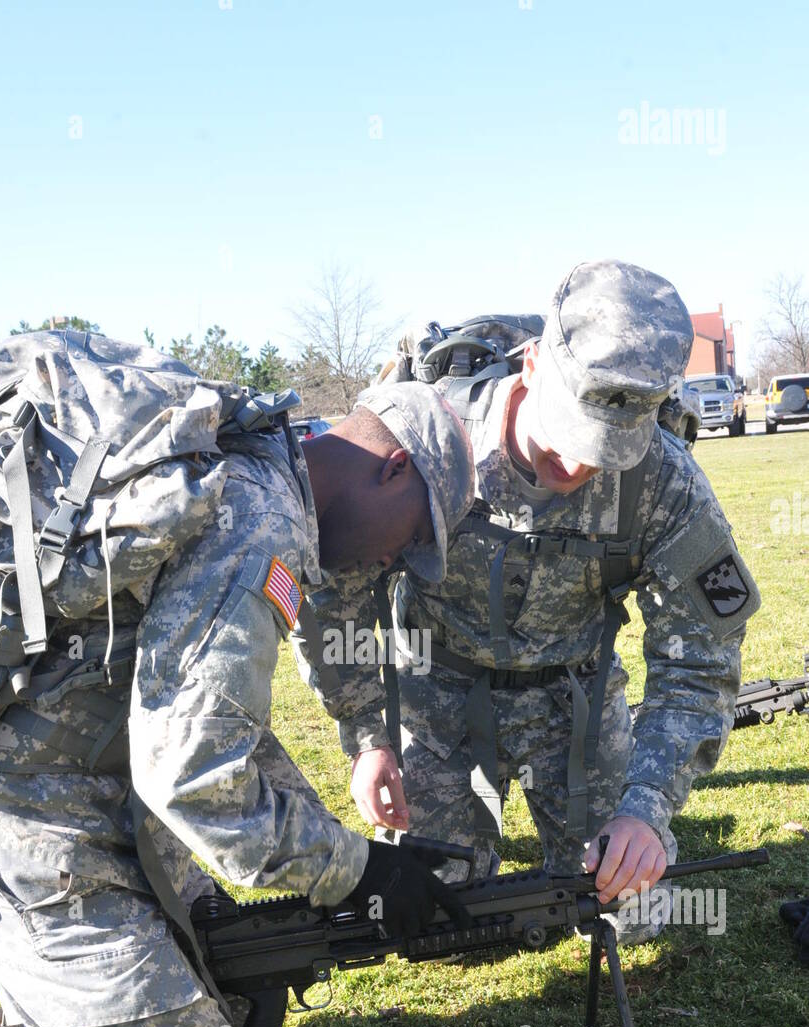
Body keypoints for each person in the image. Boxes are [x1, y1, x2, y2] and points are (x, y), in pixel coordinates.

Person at [0, 329, 475, 1027]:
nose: (390, 562)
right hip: (34, 841)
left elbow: (211, 722)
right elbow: (193, 773)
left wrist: (349, 863)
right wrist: (358, 874)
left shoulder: (244, 469)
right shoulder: (259, 521)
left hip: (80, 803)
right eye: (411, 536)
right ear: (393, 469)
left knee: (229, 995)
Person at [294, 260, 761, 941]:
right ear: (534, 363)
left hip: (572, 703)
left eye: (607, 454)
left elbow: (699, 662)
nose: (576, 469)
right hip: (437, 696)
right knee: (432, 924)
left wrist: (645, 808)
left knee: (624, 913)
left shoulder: (664, 482)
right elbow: (336, 590)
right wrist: (368, 739)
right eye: (568, 436)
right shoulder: (429, 435)